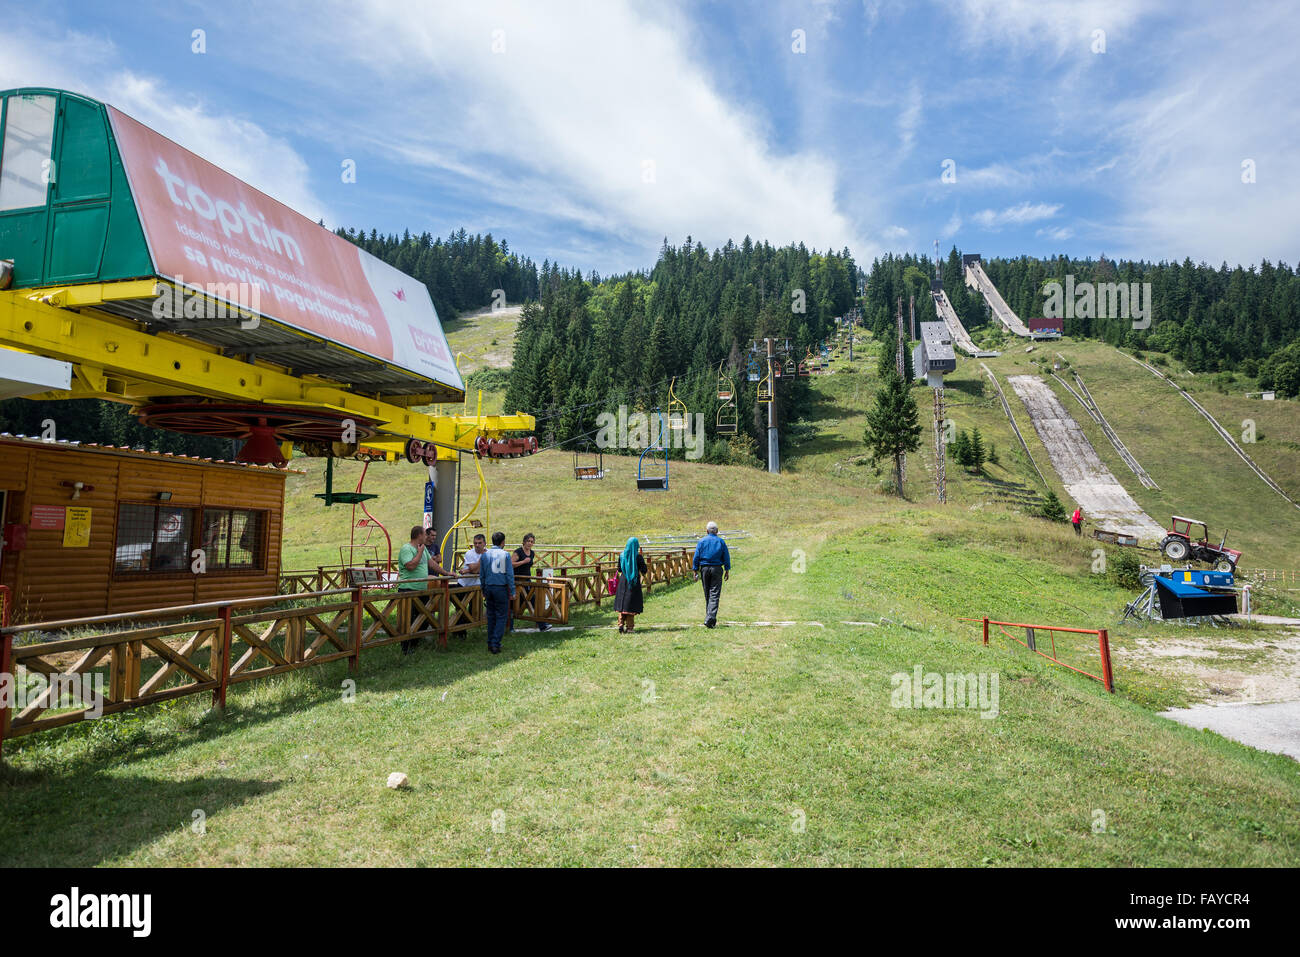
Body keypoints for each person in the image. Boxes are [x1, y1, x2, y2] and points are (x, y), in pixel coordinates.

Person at [479, 531, 516, 654]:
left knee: (491, 615)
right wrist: (513, 590)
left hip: (489, 587)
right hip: (501, 587)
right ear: (503, 542)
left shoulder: (485, 555)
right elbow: (510, 575)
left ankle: (490, 642)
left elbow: (482, 575)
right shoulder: (505, 555)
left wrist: (483, 589)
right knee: (501, 616)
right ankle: (495, 643)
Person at [397, 525, 429, 655]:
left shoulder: (423, 548)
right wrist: (420, 552)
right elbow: (410, 566)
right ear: (419, 535)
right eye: (425, 534)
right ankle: (405, 647)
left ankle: (415, 643)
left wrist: (446, 573)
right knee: (408, 620)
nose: (426, 537)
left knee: (425, 619)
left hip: (421, 590)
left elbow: (431, 563)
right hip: (408, 590)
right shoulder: (407, 548)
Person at [692, 521, 730, 629]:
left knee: (707, 592)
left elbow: (696, 556)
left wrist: (695, 570)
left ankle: (709, 618)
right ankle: (710, 618)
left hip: (704, 569)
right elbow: (726, 556)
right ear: (717, 531)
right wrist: (727, 569)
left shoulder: (701, 541)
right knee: (714, 593)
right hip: (717, 569)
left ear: (706, 531)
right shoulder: (721, 542)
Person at [512, 533, 550, 631]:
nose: (530, 543)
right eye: (528, 541)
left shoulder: (532, 553)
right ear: (524, 542)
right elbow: (511, 564)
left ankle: (542, 625)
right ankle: (510, 628)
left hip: (527, 582)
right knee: (514, 605)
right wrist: (523, 562)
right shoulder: (518, 552)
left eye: (532, 542)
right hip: (517, 582)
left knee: (532, 602)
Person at [613, 536, 647, 633]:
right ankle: (629, 628)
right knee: (631, 605)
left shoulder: (622, 555)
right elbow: (644, 570)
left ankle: (620, 624)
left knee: (623, 604)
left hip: (623, 581)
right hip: (633, 582)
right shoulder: (638, 557)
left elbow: (619, 569)